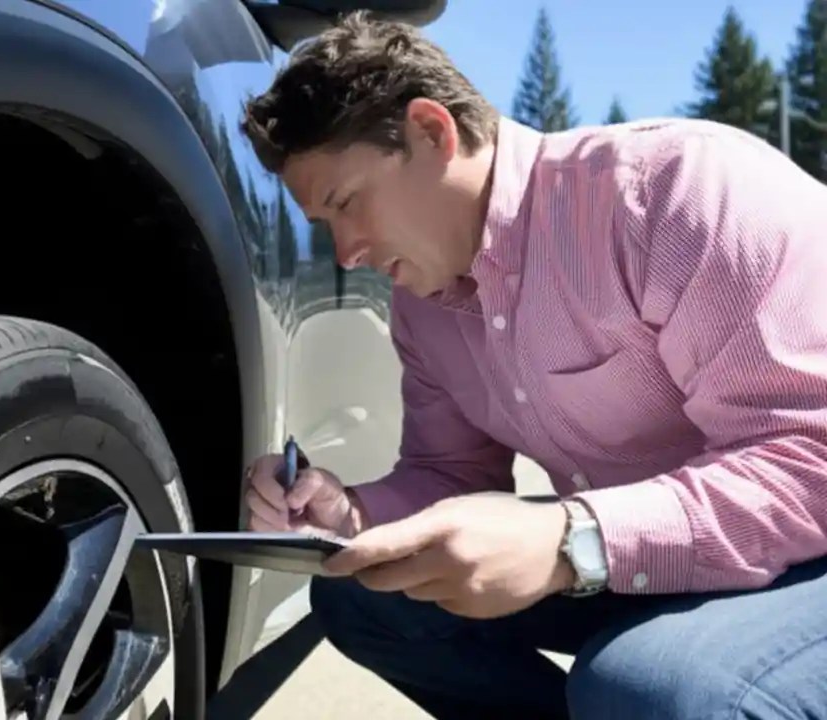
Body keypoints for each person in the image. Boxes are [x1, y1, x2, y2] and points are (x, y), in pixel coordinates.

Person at [237, 10, 827, 720]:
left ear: (432, 131)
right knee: (367, 594)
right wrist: (346, 511)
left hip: (808, 548)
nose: (348, 253)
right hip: (657, 553)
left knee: (647, 684)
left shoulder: (672, 194)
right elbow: (453, 477)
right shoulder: (424, 305)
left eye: (346, 204)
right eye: (326, 226)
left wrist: (573, 537)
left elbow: (809, 458)